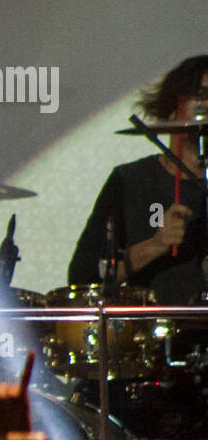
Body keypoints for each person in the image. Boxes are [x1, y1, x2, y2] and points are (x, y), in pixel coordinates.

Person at [68, 56, 208, 304]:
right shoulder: (130, 180)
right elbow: (83, 277)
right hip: (154, 334)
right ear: (173, 108)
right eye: (202, 96)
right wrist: (155, 245)